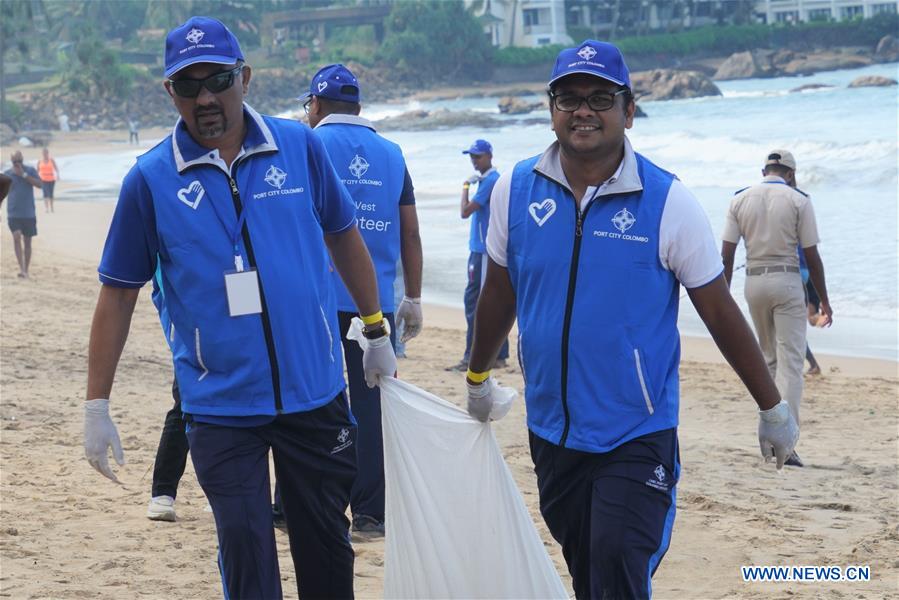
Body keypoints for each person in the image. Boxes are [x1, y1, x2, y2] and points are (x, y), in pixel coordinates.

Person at [463, 40, 799, 600]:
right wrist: (476, 378)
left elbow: (717, 308)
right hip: (551, 429)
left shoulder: (667, 201)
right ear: (550, 107)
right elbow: (499, 292)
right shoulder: (513, 190)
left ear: (629, 110)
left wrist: (772, 406)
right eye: (568, 98)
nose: (583, 111)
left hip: (635, 430)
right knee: (587, 569)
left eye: (600, 97)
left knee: (618, 559)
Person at [82, 17, 396, 599]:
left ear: (245, 78)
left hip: (316, 393)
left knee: (327, 548)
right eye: (188, 85)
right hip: (221, 404)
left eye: (219, 79)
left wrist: (376, 330)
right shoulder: (149, 181)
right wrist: (97, 404)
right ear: (169, 92)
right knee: (246, 545)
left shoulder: (300, 146)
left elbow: (344, 234)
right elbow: (118, 292)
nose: (205, 98)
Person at [302, 63, 424, 537]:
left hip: (316, 299)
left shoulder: (308, 145)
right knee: (371, 405)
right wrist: (413, 296)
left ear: (315, 105)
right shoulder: (392, 154)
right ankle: (371, 513)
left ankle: (295, 506)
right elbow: (410, 233)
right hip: (376, 304)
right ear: (358, 107)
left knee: (309, 398)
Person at [722, 149, 832, 468]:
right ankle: (789, 445)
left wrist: (724, 294)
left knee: (768, 361)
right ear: (791, 174)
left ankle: (770, 442)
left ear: (763, 171)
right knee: (791, 363)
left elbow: (726, 254)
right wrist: (823, 299)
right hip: (786, 281)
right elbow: (812, 256)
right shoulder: (799, 200)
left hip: (753, 283)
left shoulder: (739, 199)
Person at [447, 139, 509, 372]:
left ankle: (471, 356)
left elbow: (465, 212)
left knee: (476, 303)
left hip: (483, 250)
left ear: (489, 156)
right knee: (488, 301)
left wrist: (465, 186)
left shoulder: (491, 180)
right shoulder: (491, 179)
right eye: (472, 156)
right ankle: (500, 355)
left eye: (478, 156)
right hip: (483, 248)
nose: (474, 161)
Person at [4, 151, 41, 278]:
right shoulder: (8, 174)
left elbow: (40, 184)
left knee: (27, 242)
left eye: (19, 161)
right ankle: (21, 268)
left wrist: (23, 175)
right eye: (15, 162)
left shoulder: (30, 170)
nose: (17, 164)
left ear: (22, 160)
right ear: (11, 161)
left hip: (28, 213)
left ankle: (26, 269)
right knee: (16, 237)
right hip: (13, 213)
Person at [37, 147, 60, 213]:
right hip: (43, 179)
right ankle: (46, 208)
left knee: (51, 194)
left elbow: (56, 168)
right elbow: (37, 171)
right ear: (42, 154)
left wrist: (58, 175)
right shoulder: (39, 161)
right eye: (43, 153)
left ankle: (52, 208)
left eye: (46, 153)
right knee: (45, 194)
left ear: (48, 153)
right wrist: (37, 178)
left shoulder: (51, 160)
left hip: (51, 179)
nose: (45, 154)